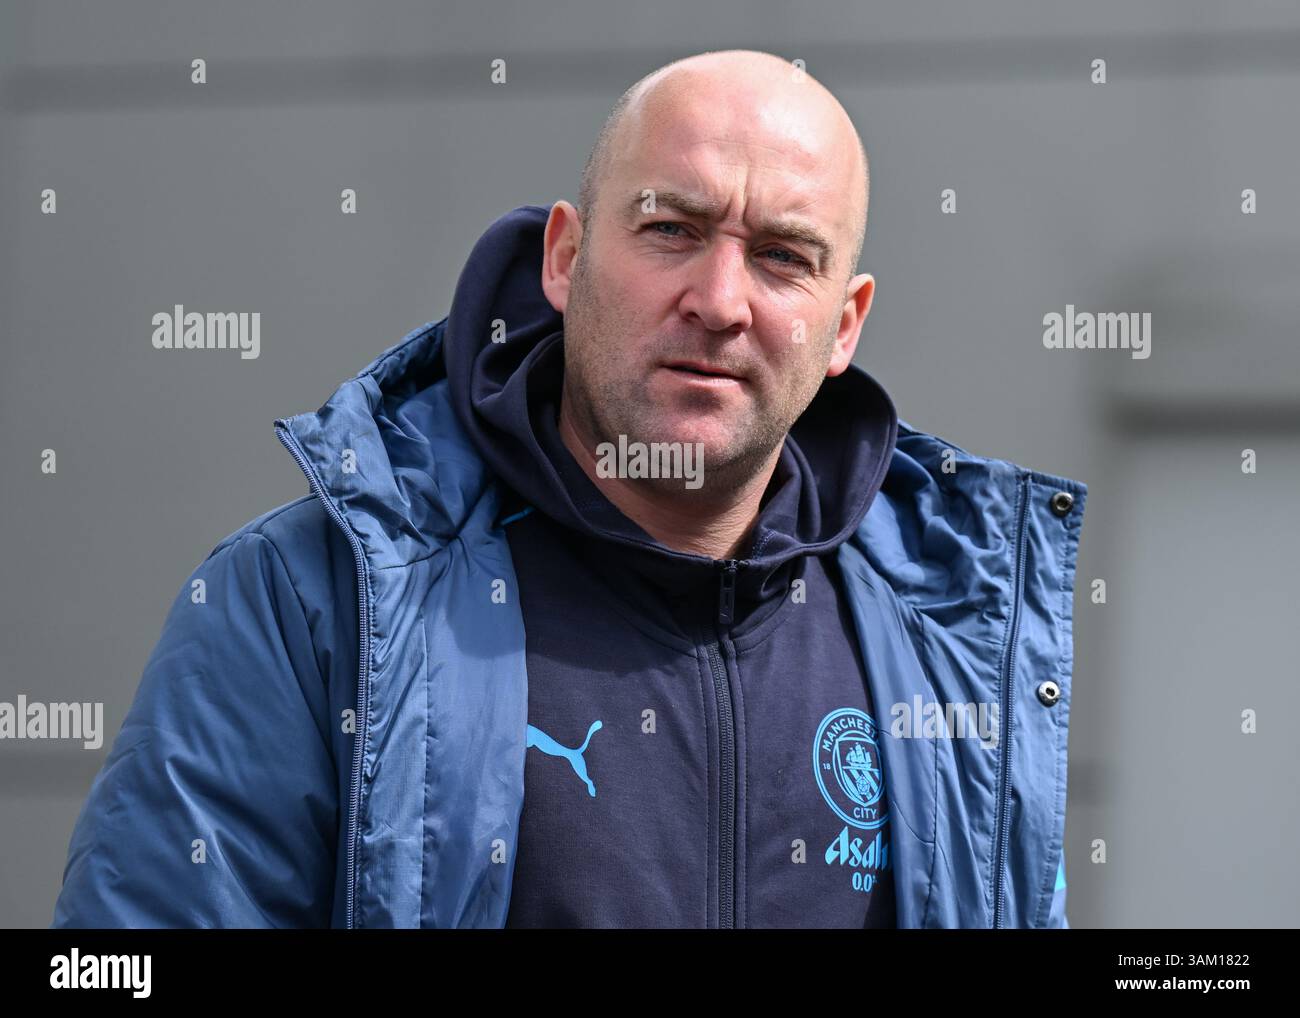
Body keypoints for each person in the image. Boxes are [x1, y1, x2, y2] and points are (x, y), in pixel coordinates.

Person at [51, 49, 1085, 929]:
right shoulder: (309, 605)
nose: (720, 302)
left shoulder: (948, 650)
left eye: (781, 256)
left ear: (843, 326)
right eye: (672, 229)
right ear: (564, 256)